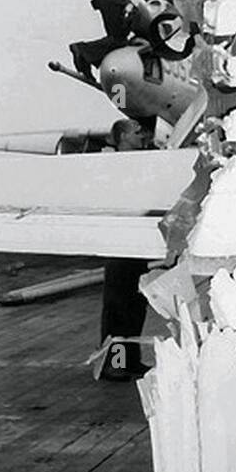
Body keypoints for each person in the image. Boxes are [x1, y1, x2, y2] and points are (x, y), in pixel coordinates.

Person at [95, 116, 158, 383]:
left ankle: (130, 360)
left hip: (137, 241)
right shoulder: (113, 165)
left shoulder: (139, 163)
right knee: (119, 306)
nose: (143, 135)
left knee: (134, 305)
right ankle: (115, 363)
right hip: (120, 241)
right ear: (122, 137)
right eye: (137, 132)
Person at [69, 0, 137, 83]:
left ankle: (84, 59)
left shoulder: (136, 12)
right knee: (118, 39)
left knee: (117, 39)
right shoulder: (136, 15)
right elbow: (130, 13)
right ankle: (81, 50)